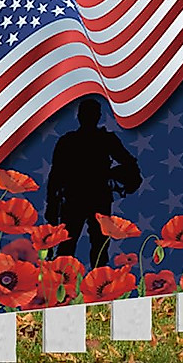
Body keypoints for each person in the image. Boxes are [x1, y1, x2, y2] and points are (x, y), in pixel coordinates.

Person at [45, 98, 141, 268]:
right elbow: (56, 175)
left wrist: (117, 178)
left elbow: (129, 163)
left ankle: (98, 286)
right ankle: (63, 285)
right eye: (87, 113)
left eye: (92, 114)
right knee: (68, 246)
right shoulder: (69, 141)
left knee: (99, 247)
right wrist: (52, 206)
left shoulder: (105, 139)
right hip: (76, 198)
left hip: (97, 197)